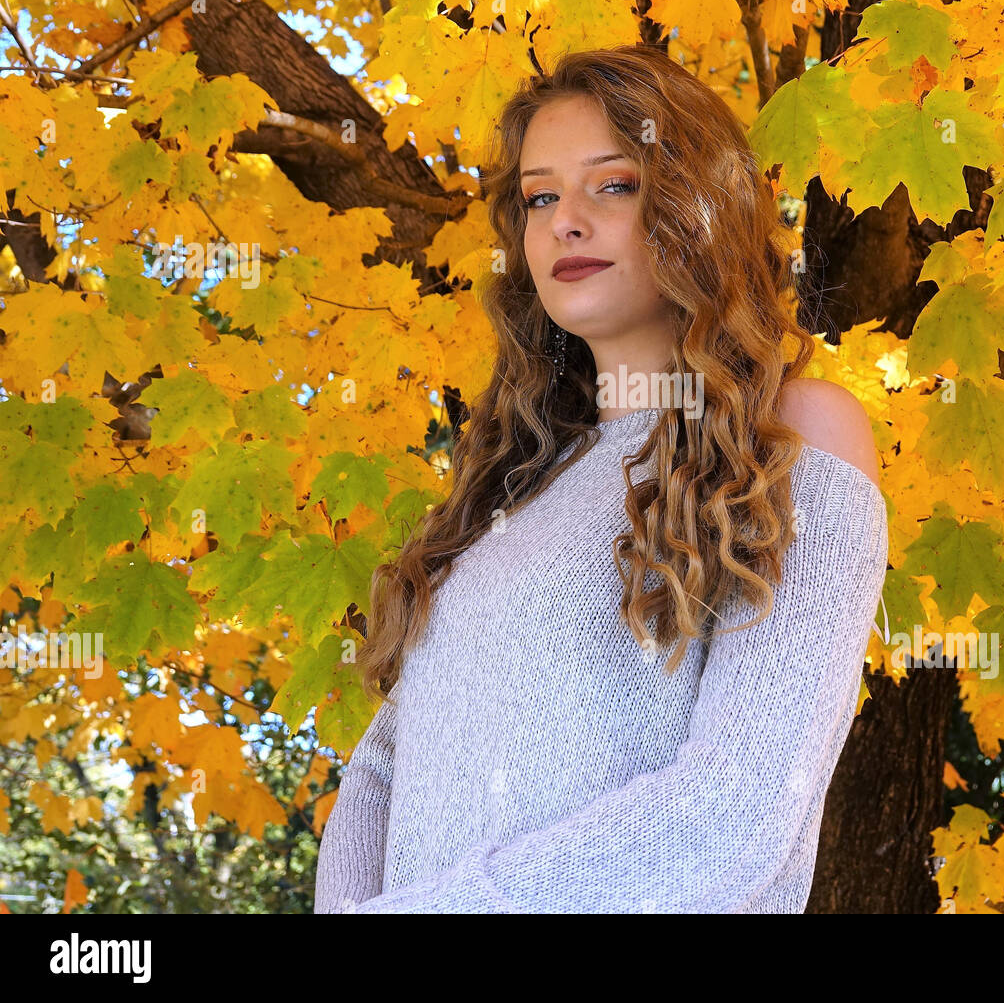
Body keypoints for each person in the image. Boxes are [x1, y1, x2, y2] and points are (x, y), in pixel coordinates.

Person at [313, 44, 889, 914]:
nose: (564, 222)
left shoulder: (796, 434)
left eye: (612, 185)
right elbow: (383, 773)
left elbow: (741, 811)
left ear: (699, 208)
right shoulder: (506, 493)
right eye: (541, 196)